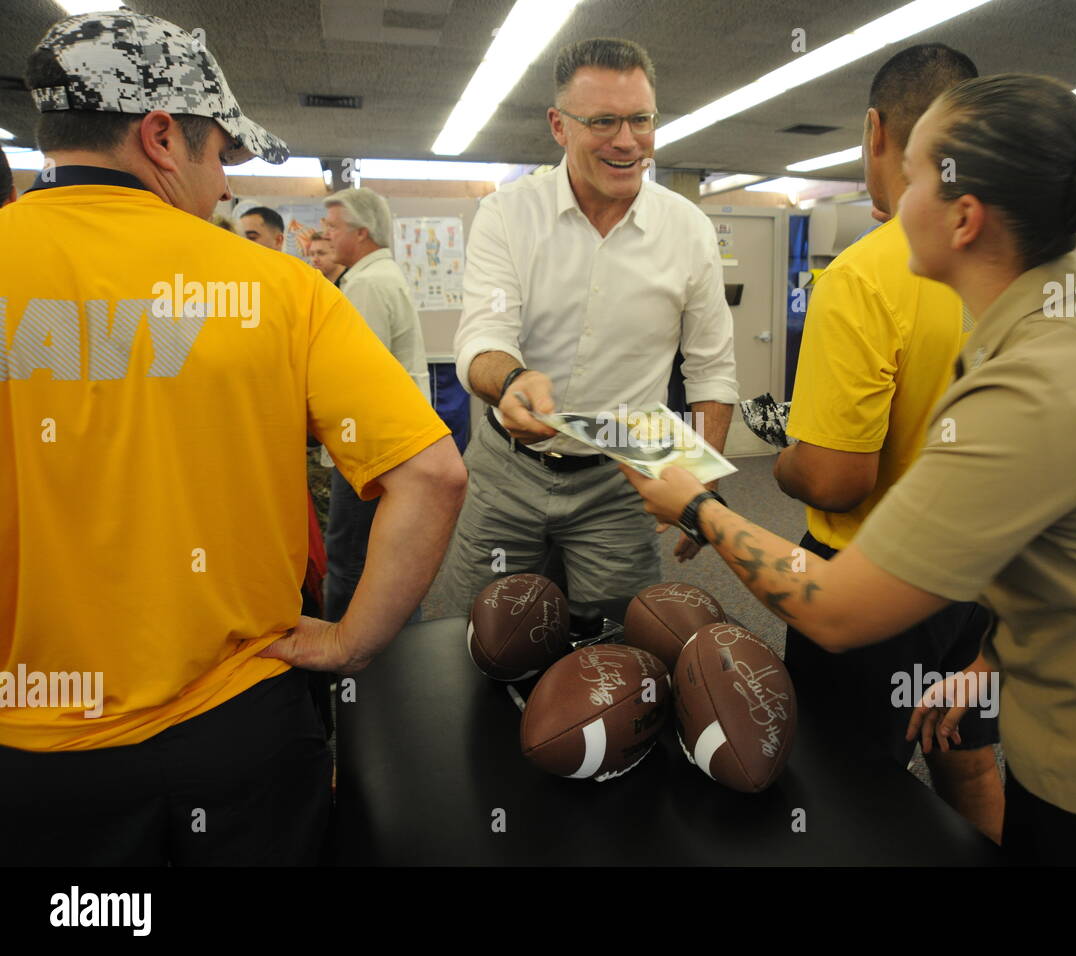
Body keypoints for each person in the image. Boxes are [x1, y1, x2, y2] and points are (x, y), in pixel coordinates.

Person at [622, 73, 1076, 866]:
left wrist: (696, 507)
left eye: (912, 178)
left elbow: (837, 609)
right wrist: (987, 659)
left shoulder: (1035, 380)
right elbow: (1071, 558)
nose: (895, 200)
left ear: (964, 217)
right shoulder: (1056, 328)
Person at [0, 11, 467, 866]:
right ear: (162, 136)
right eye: (220, 156)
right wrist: (351, 641)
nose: (223, 187)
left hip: (25, 764)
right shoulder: (279, 289)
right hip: (232, 731)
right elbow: (433, 476)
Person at [773, 44, 1001, 841]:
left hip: (869, 587)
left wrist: (783, 462)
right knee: (968, 759)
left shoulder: (865, 274)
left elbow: (836, 480)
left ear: (876, 131)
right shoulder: (1016, 262)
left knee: (839, 780)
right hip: (981, 581)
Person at [446, 37, 737, 615]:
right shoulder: (507, 214)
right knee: (482, 629)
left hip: (623, 477)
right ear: (559, 125)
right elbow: (484, 335)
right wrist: (511, 382)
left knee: (616, 650)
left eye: (641, 120)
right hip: (508, 469)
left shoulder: (688, 230)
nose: (627, 141)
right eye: (603, 121)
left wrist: (703, 486)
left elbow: (710, 369)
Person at [321, 186, 432, 621]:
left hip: (369, 449)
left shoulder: (366, 285)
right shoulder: (379, 276)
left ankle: (345, 666)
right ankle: (395, 661)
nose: (325, 236)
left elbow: (356, 381)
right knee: (389, 556)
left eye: (333, 227)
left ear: (361, 233)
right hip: (392, 444)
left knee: (349, 558)